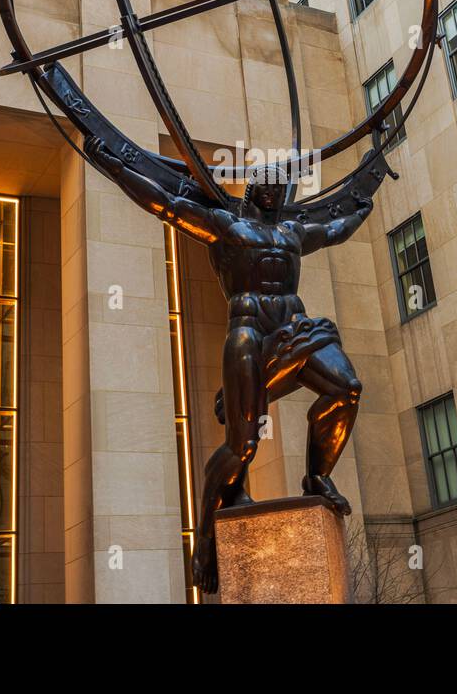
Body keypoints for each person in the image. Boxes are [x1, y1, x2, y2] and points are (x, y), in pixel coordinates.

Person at [84, 137, 372, 593]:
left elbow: (339, 226)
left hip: (295, 326)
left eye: (283, 186)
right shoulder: (227, 225)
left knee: (346, 388)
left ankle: (317, 475)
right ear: (254, 189)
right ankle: (205, 538)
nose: (277, 193)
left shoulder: (293, 232)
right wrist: (111, 163)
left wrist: (367, 187)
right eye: (269, 185)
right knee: (242, 444)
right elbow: (167, 202)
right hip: (249, 331)